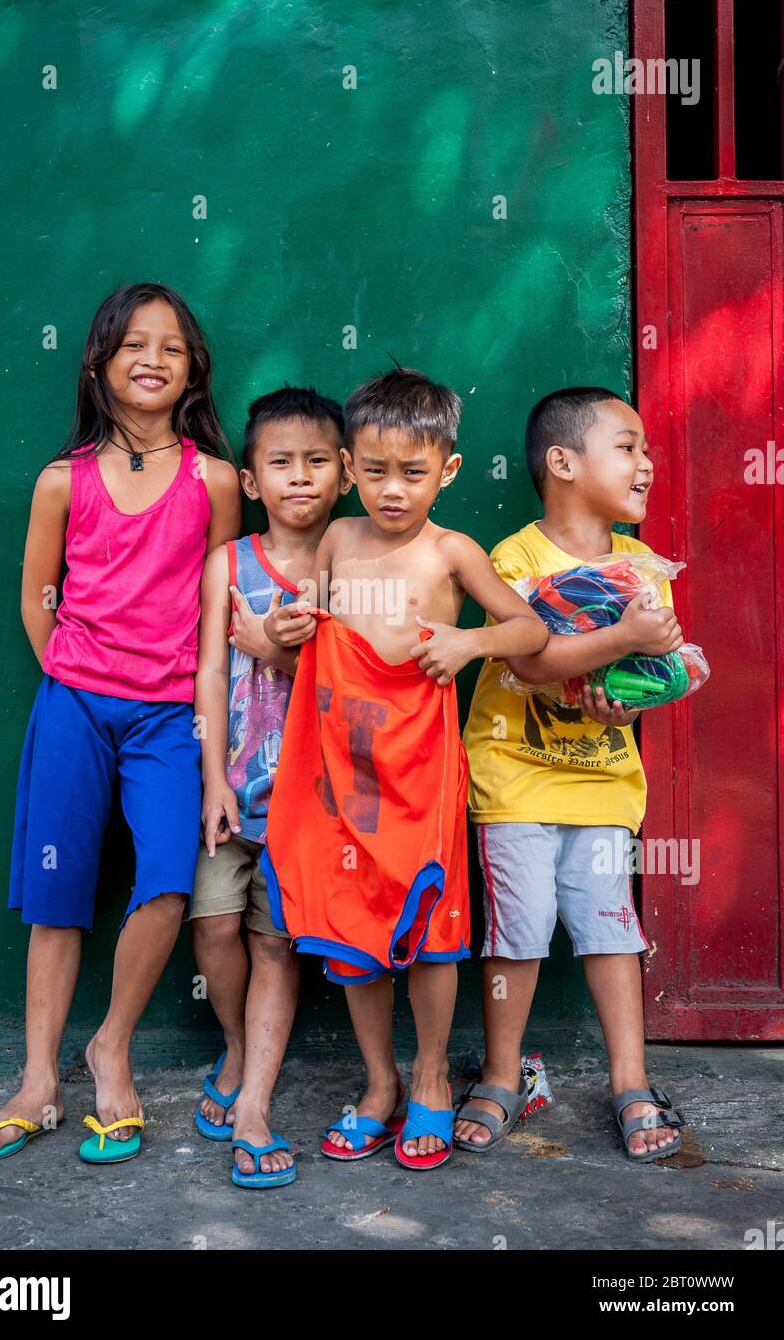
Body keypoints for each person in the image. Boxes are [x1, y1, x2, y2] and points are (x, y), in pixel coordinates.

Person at [0, 283, 240, 1164]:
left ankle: (109, 1046)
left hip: (172, 718)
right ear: (99, 364)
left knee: (165, 879)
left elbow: (220, 612)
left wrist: (195, 714)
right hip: (74, 708)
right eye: (132, 345)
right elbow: (35, 600)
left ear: (193, 367)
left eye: (171, 346)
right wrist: (76, 676)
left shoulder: (216, 480)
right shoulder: (62, 480)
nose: (152, 359)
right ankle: (38, 1080)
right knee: (57, 893)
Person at [263, 367, 548, 1170]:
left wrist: (468, 643)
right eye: (376, 472)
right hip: (341, 770)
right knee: (352, 931)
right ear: (349, 467)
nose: (392, 491)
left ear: (446, 471)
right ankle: (380, 1083)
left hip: (420, 769)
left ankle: (429, 1075)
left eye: (413, 474)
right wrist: (290, 624)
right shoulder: (337, 539)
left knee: (428, 935)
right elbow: (307, 629)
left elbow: (527, 630)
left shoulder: (452, 550)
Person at [456, 387, 687, 1162]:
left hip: (601, 782)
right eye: (627, 446)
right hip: (514, 774)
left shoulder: (641, 568)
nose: (646, 463)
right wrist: (623, 633)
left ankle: (630, 1080)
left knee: (610, 929)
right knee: (516, 934)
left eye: (644, 449)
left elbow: (644, 677)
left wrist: (634, 698)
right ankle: (502, 1075)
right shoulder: (514, 558)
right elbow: (526, 654)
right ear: (563, 462)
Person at [190, 386, 349, 1188]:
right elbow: (212, 670)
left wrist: (278, 650)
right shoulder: (228, 563)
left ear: (344, 473)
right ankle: (235, 1045)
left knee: (273, 945)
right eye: (280, 463)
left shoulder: (352, 564)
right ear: (250, 481)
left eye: (316, 461)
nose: (299, 478)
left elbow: (354, 690)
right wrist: (214, 776)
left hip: (310, 804)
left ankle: (254, 1103)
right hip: (235, 792)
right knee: (214, 929)